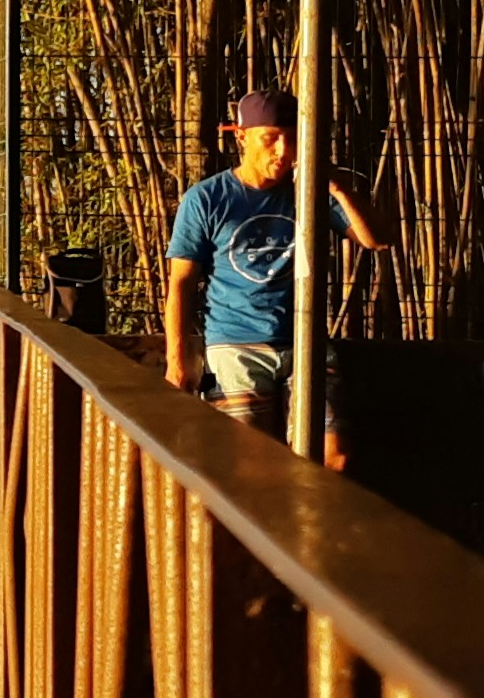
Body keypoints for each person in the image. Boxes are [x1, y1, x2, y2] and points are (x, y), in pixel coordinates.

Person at [165, 88, 386, 461]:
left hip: (305, 342)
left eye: (293, 139)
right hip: (236, 345)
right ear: (242, 137)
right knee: (252, 462)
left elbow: (374, 240)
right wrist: (177, 359)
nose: (283, 152)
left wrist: (335, 185)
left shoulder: (309, 191)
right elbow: (181, 283)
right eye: (270, 139)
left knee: (334, 457)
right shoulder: (207, 199)